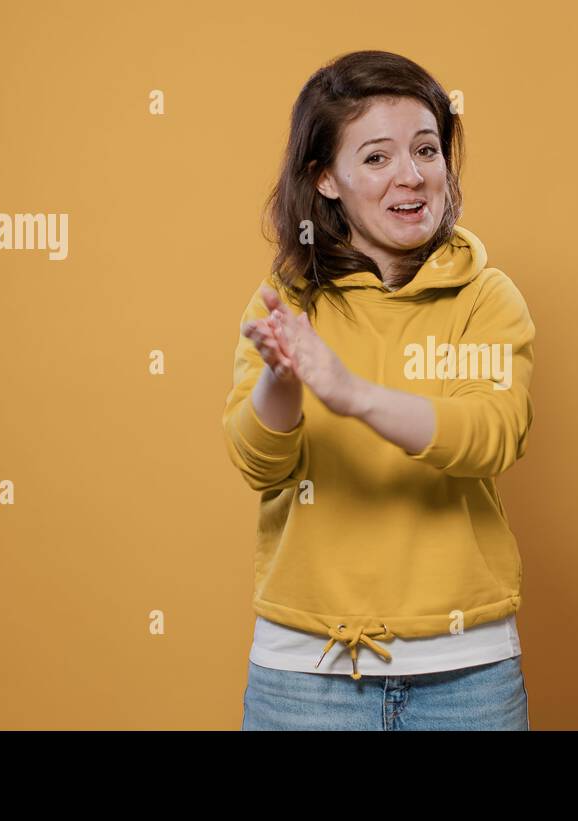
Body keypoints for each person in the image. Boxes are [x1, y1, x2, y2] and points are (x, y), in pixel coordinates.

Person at [223, 50, 535, 730]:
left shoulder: (487, 297)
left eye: (428, 149)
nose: (412, 175)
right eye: (376, 157)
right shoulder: (285, 301)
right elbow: (259, 464)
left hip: (467, 674)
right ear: (325, 179)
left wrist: (350, 391)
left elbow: (491, 433)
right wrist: (283, 381)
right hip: (304, 679)